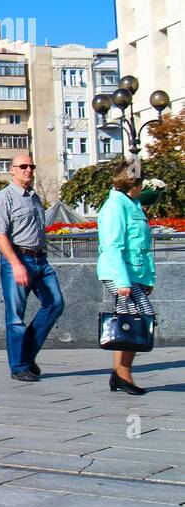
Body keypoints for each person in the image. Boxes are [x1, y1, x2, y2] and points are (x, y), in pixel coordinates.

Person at [0, 152, 64, 383]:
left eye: (31, 166)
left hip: (40, 260)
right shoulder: (4, 198)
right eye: (23, 166)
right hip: (18, 260)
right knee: (15, 317)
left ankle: (27, 353)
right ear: (12, 170)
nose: (28, 170)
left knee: (55, 303)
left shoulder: (34, 197)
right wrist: (15, 264)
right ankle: (19, 366)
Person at [97, 161, 154, 395]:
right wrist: (122, 282)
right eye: (142, 181)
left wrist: (147, 279)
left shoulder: (133, 204)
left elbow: (141, 246)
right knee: (143, 317)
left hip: (133, 272)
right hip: (118, 273)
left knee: (128, 321)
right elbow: (112, 246)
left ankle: (119, 374)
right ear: (135, 182)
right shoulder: (115, 206)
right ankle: (123, 374)